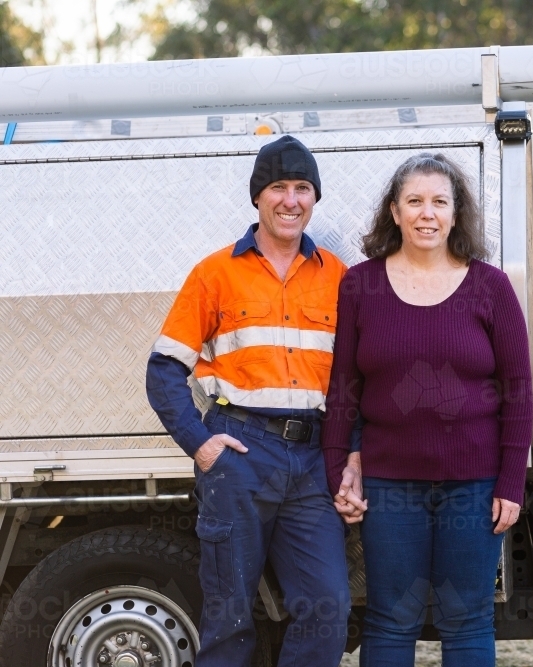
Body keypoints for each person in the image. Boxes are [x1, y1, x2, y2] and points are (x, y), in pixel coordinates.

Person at [146, 135, 351, 666]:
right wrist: (200, 443)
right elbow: (164, 369)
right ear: (258, 197)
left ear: (314, 197)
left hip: (312, 462)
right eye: (278, 188)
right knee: (229, 616)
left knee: (327, 608)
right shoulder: (215, 273)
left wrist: (351, 451)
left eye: (302, 188)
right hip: (239, 454)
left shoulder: (338, 277)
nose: (291, 200)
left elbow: (356, 380)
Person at [322, 153, 533, 667]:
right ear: (394, 212)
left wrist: (510, 482)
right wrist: (337, 471)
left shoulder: (490, 286)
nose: (427, 213)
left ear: (456, 214)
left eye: (439, 201)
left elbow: (518, 390)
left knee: (467, 621)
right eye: (414, 201)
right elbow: (344, 388)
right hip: (390, 487)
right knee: (391, 619)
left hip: (475, 485)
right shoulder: (361, 285)